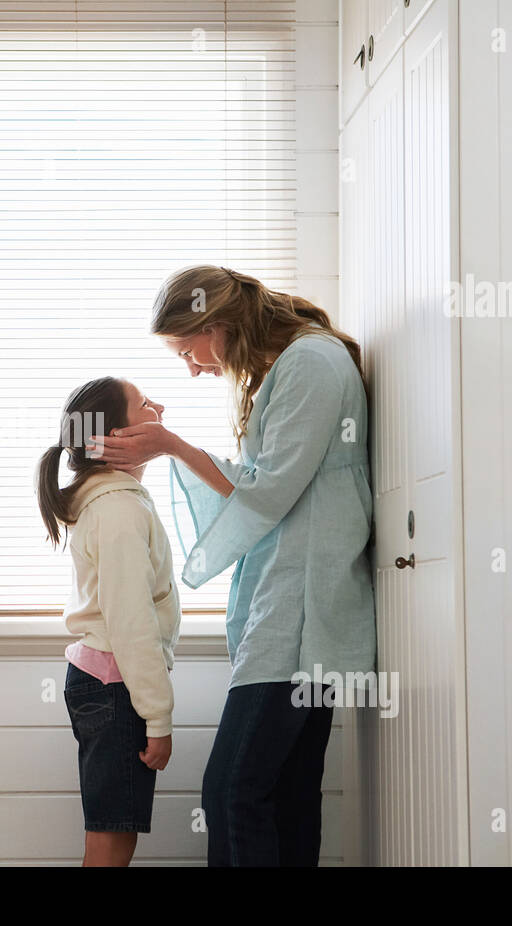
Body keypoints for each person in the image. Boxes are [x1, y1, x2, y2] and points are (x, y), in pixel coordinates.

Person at [89, 265, 377, 866]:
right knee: (285, 796)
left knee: (231, 794)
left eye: (187, 350)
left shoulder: (310, 364)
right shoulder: (291, 367)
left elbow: (265, 492)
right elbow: (262, 489)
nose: (191, 368)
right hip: (292, 610)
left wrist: (173, 446)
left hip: (299, 617)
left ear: (214, 325)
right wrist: (177, 450)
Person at [36, 376, 181, 866]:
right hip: (116, 687)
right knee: (112, 837)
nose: (158, 406)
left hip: (105, 682)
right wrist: (157, 717)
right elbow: (131, 621)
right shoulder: (118, 509)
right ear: (112, 439)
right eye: (144, 403)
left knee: (111, 830)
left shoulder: (112, 502)